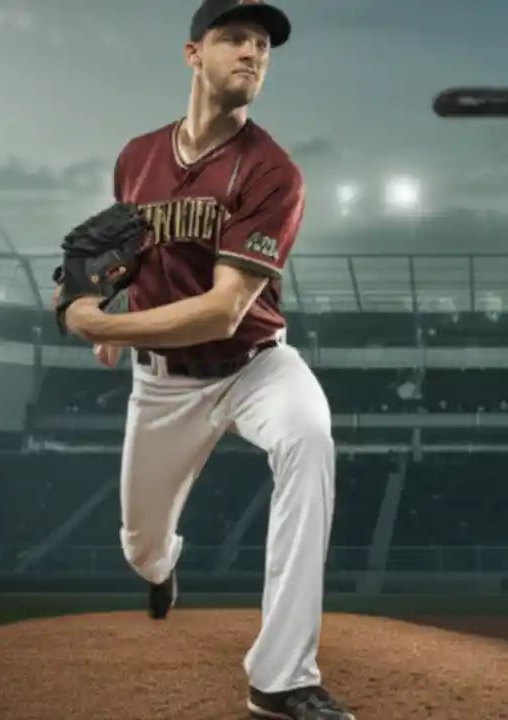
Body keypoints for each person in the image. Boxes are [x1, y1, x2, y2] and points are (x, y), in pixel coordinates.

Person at [58, 1, 353, 717]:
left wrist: (105, 325)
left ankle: (281, 680)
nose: (252, 54)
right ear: (194, 55)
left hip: (255, 363)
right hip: (162, 385)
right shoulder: (137, 156)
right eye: (234, 39)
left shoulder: (273, 172)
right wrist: (111, 309)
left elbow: (225, 308)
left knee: (310, 438)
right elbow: (130, 257)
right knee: (140, 541)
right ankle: (161, 569)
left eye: (263, 45)